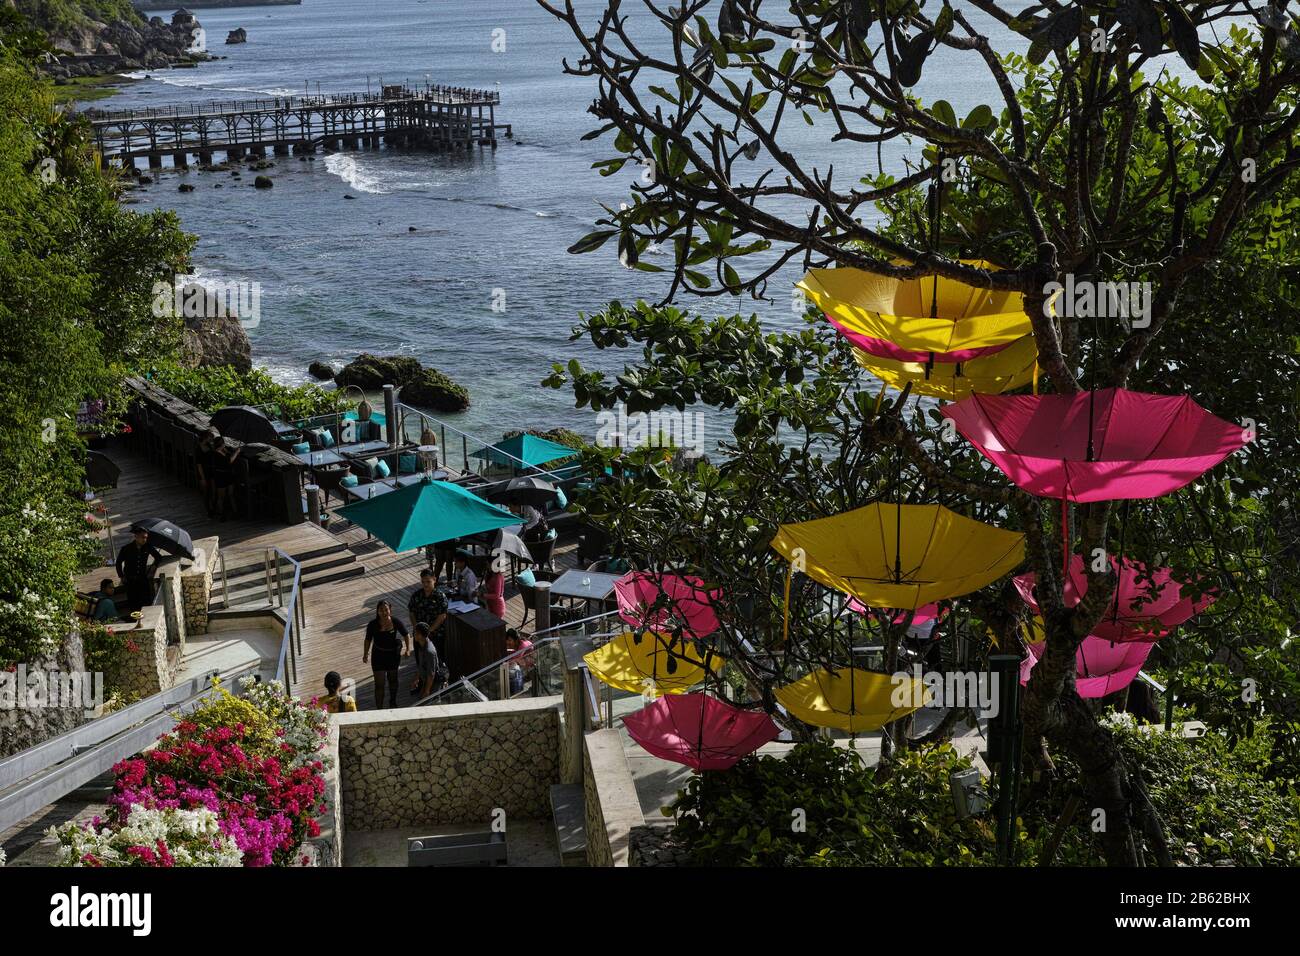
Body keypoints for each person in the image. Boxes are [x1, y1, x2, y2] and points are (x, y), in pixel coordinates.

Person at [362, 600, 408, 709]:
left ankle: (393, 702)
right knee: (379, 684)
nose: (384, 612)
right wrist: (365, 654)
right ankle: (379, 708)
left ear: (390, 610)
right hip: (378, 655)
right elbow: (368, 640)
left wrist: (408, 649)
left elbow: (406, 634)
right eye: (381, 610)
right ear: (377, 612)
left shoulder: (396, 621)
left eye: (386, 610)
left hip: (393, 655)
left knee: (393, 680)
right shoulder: (372, 625)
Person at [407, 568, 449, 663]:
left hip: (435, 635)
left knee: (436, 661)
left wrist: (429, 631)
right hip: (419, 635)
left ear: (434, 579)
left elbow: (442, 616)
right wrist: (416, 628)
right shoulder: (416, 595)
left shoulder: (440, 597)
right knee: (420, 660)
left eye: (428, 581)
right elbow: (411, 612)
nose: (425, 584)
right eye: (423, 582)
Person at [115, 526, 161, 611]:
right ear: (136, 537)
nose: (145, 540)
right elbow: (118, 563)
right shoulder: (126, 548)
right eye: (143, 537)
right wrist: (121, 576)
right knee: (133, 603)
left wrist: (153, 567)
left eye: (146, 537)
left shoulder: (148, 546)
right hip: (130, 579)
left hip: (142, 578)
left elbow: (158, 557)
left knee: (146, 601)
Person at [408, 621, 445, 700]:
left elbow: (431, 674)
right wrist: (416, 678)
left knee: (431, 705)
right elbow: (421, 664)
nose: (413, 635)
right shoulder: (421, 645)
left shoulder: (429, 651)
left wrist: (427, 691)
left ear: (421, 635)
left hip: (433, 683)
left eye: (416, 633)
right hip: (426, 681)